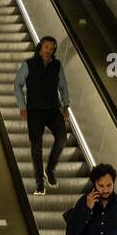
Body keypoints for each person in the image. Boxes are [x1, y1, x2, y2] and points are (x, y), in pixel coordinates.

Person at [14, 35, 71, 195]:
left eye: (52, 48)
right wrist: (22, 106)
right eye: (46, 47)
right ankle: (40, 182)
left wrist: (65, 105)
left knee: (62, 138)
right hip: (34, 110)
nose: (49, 50)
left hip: (53, 109)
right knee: (36, 147)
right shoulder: (28, 64)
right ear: (40, 47)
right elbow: (17, 85)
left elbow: (63, 86)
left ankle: (50, 169)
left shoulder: (57, 65)